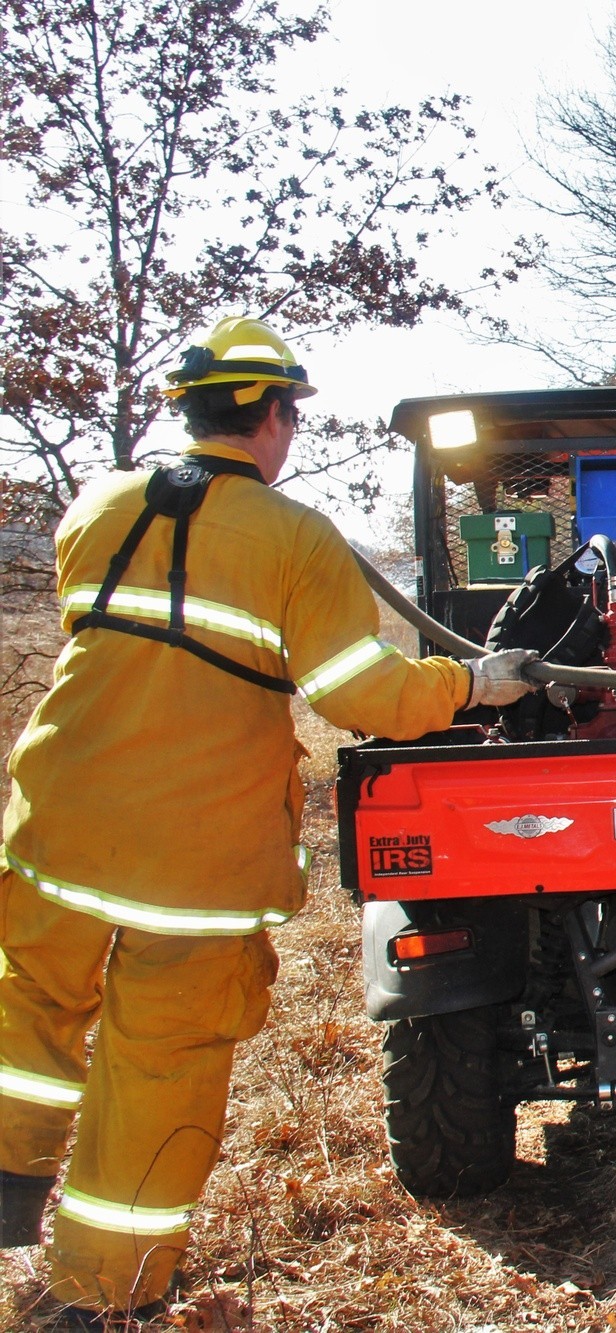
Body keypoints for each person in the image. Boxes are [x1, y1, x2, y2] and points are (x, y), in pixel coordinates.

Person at [0, 316, 536, 1328]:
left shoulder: (99, 504)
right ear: (276, 417)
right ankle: (101, 1290)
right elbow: (360, 692)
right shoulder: (293, 537)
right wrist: (475, 683)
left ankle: (5, 1183)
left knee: (24, 1008)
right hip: (192, 857)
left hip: (58, 823)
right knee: (159, 1064)